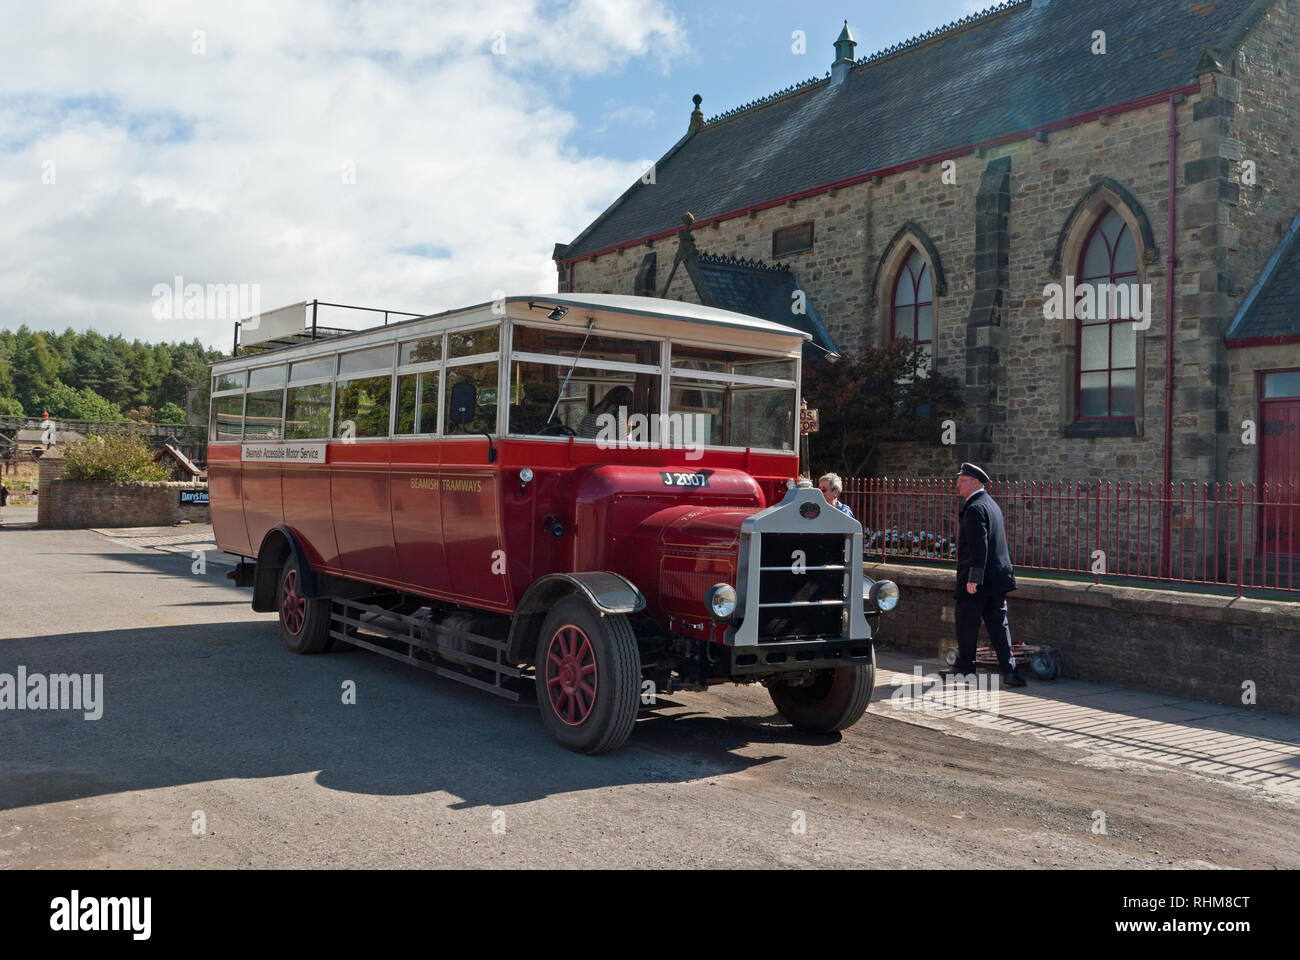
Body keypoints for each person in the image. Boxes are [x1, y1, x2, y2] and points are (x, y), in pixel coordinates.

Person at [944, 462, 1025, 687]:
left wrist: (973, 579)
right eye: (958, 480)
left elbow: (980, 547)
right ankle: (1010, 672)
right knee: (999, 626)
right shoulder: (991, 504)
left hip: (979, 581)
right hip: (997, 579)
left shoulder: (974, 508)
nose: (957, 484)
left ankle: (965, 668)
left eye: (962, 480)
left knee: (966, 623)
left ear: (976, 482)